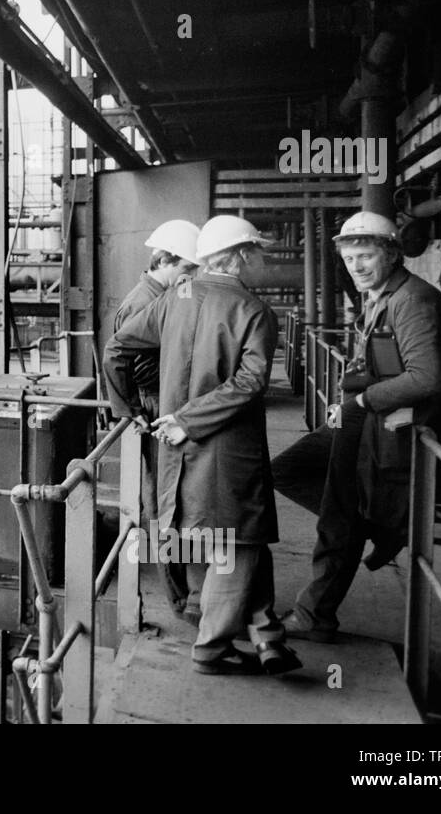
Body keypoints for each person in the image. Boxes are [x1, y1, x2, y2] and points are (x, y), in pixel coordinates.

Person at [104, 215, 301, 676]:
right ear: (241, 256)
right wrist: (190, 421)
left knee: (234, 540)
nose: (263, 261)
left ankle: (266, 634)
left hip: (176, 446)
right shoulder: (253, 311)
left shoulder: (177, 296)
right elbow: (251, 382)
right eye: (258, 253)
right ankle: (211, 648)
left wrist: (127, 410)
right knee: (238, 543)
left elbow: (116, 349)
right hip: (227, 449)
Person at [281, 211, 441, 643]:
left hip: (385, 428)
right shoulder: (381, 295)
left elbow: (426, 377)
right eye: (350, 258)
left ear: (392, 254)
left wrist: (360, 400)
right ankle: (373, 528)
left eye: (366, 256)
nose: (356, 267)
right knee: (287, 471)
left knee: (338, 517)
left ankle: (314, 615)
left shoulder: (413, 300)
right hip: (363, 419)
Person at [112, 219, 202, 617]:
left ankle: (185, 588)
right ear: (163, 260)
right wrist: (129, 410)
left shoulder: (158, 294)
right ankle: (178, 594)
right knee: (163, 503)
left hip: (161, 403)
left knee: (171, 498)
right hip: (152, 408)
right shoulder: (143, 301)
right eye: (186, 270)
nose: (189, 280)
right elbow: (117, 358)